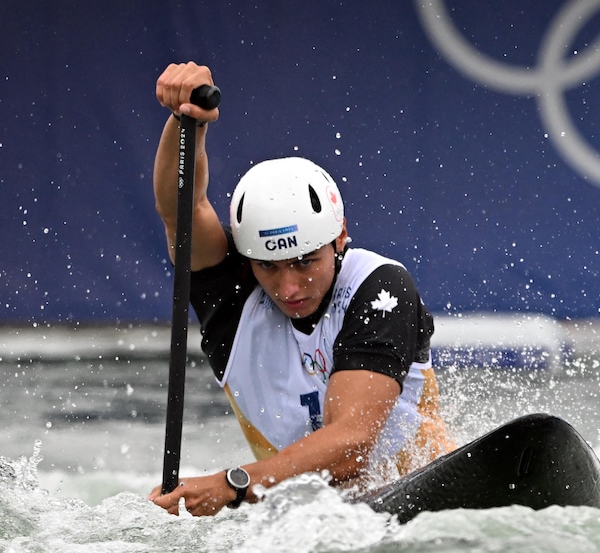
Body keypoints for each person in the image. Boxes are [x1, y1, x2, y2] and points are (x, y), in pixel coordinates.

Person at [148, 61, 454, 516]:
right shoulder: (233, 298)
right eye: (267, 267)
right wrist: (185, 120)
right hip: (302, 523)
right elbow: (183, 209)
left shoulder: (380, 287)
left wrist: (233, 485)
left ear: (340, 237)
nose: (288, 286)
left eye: (305, 261)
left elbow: (353, 446)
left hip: (430, 502)